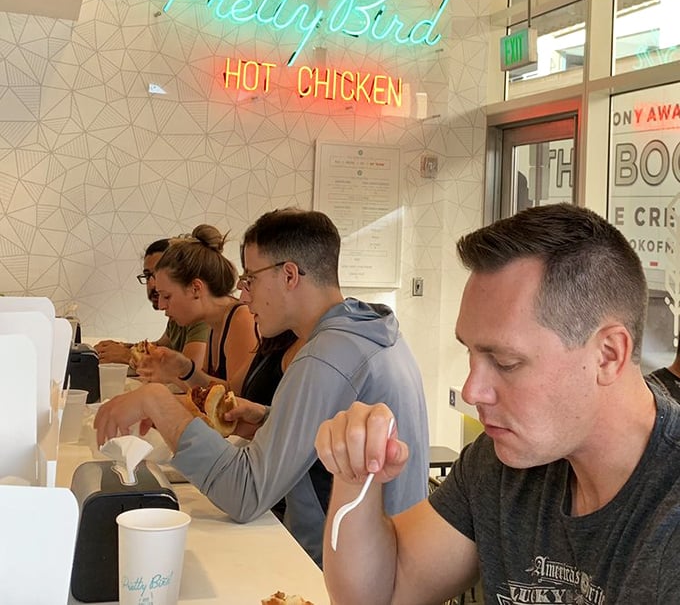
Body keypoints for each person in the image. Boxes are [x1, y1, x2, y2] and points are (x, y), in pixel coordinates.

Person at [315, 203, 680, 605]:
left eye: (506, 363)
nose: (472, 391)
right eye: (470, 355)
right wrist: (355, 470)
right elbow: (376, 595)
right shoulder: (503, 466)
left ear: (607, 355)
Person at [94, 208, 429, 566]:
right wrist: (266, 417)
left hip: (342, 570)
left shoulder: (327, 356)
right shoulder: (371, 329)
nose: (244, 294)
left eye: (250, 279)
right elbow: (331, 434)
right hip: (394, 556)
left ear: (288, 276)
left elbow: (245, 493)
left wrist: (159, 403)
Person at [134, 225, 257, 394]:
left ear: (196, 288)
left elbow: (235, 397)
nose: (161, 305)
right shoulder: (214, 323)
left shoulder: (240, 319)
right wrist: (176, 372)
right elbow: (205, 389)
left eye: (167, 296)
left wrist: (184, 371)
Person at [95, 238, 209, 371]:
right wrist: (122, 347)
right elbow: (159, 347)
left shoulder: (203, 316)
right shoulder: (178, 315)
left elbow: (189, 373)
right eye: (148, 275)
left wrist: (128, 356)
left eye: (157, 275)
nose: (152, 284)